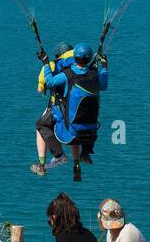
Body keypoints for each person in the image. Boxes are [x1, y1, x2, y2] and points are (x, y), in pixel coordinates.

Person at [44, 41, 108, 182]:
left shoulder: (68, 75)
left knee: (42, 124)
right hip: (91, 134)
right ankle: (84, 154)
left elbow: (49, 82)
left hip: (69, 132)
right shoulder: (95, 76)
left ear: (74, 57)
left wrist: (46, 64)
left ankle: (59, 155)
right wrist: (104, 66)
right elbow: (104, 85)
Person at [31, 40, 74, 176]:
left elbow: (39, 89)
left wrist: (46, 67)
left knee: (41, 125)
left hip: (60, 108)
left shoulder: (51, 66)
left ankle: (45, 163)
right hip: (79, 110)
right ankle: (76, 161)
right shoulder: (81, 65)